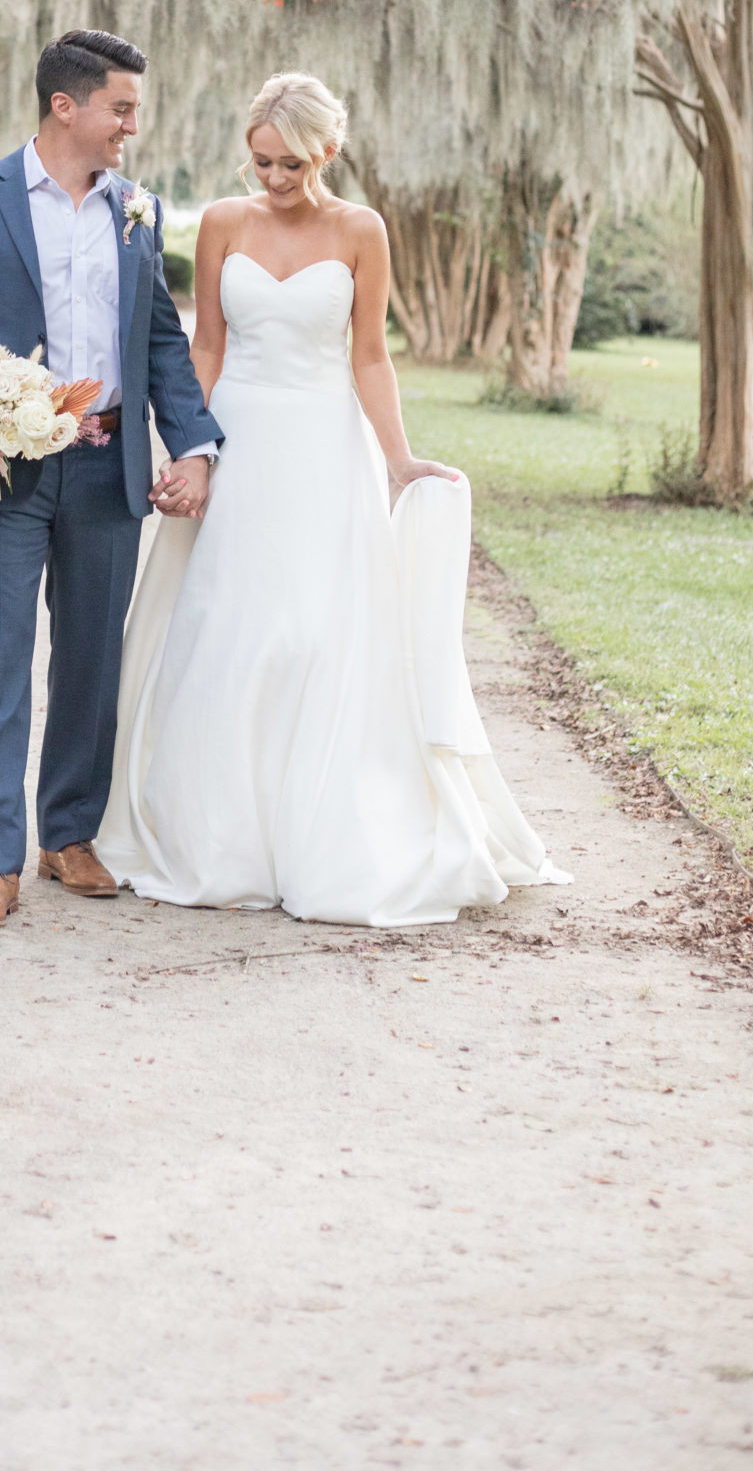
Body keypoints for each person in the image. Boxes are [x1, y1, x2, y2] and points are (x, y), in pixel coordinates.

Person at [98, 71, 567, 925]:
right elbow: (206, 343)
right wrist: (189, 450)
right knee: (223, 624)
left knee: (316, 629)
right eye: (261, 162)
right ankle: (216, 833)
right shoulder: (225, 224)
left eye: (289, 165)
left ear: (327, 151)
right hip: (236, 442)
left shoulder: (361, 230)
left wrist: (397, 460)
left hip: (322, 445)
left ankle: (315, 828)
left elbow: (368, 356)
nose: (272, 180)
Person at [0, 30, 223, 931]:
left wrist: (191, 445)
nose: (130, 127)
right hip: (0, 468)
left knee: (90, 661)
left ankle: (68, 834)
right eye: (121, 109)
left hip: (107, 466)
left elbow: (159, 338)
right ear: (64, 106)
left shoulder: (137, 210)